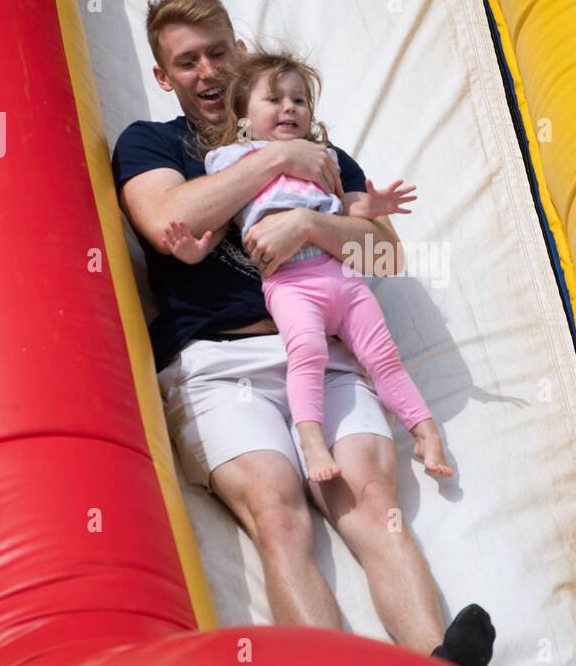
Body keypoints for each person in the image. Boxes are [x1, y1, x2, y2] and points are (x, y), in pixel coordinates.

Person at [111, 0, 494, 666]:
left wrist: (311, 224)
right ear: (163, 78)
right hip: (221, 363)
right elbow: (168, 225)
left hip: (326, 356)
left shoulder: (317, 147)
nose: (208, 73)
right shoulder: (152, 144)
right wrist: (276, 162)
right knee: (277, 509)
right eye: (188, 62)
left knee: (373, 505)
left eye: (219, 53)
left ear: (243, 51)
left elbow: (383, 252)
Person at [168, 46, 453, 485]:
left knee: (383, 358)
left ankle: (426, 431)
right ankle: (313, 439)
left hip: (343, 279)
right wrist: (190, 251)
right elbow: (217, 225)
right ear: (243, 114)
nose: (289, 108)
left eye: (298, 100)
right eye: (275, 99)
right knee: (309, 353)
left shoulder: (326, 159)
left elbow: (354, 209)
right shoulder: (230, 163)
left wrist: (373, 205)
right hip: (292, 285)